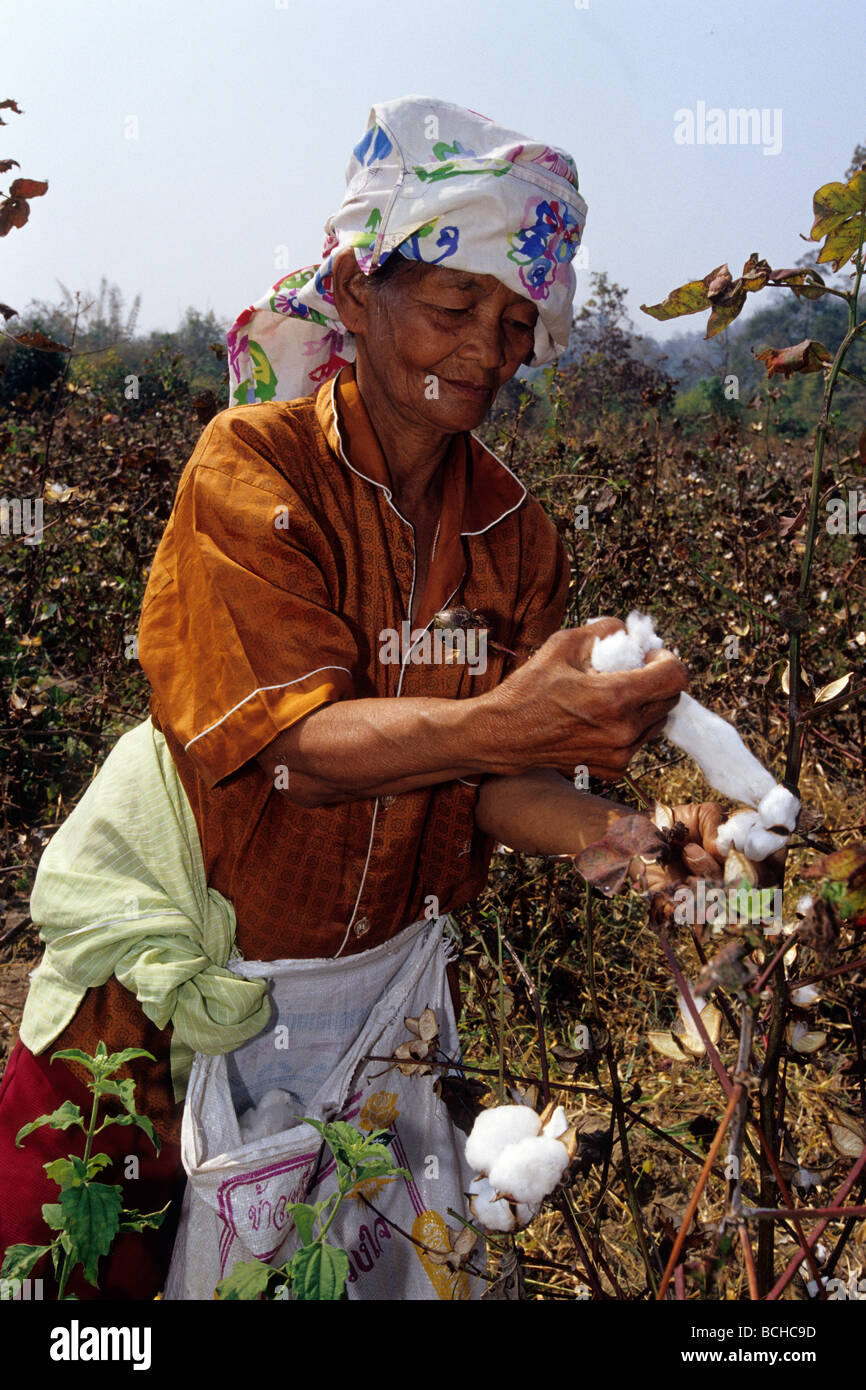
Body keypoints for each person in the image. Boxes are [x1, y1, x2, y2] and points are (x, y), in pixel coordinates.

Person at [0, 96, 725, 1300]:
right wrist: (515, 718)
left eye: (512, 322)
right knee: (89, 1282)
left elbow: (483, 779)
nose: (485, 352)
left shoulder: (513, 533)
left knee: (311, 1265)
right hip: (166, 989)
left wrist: (622, 836)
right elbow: (297, 748)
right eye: (452, 307)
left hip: (357, 1010)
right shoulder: (251, 469)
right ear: (352, 290)